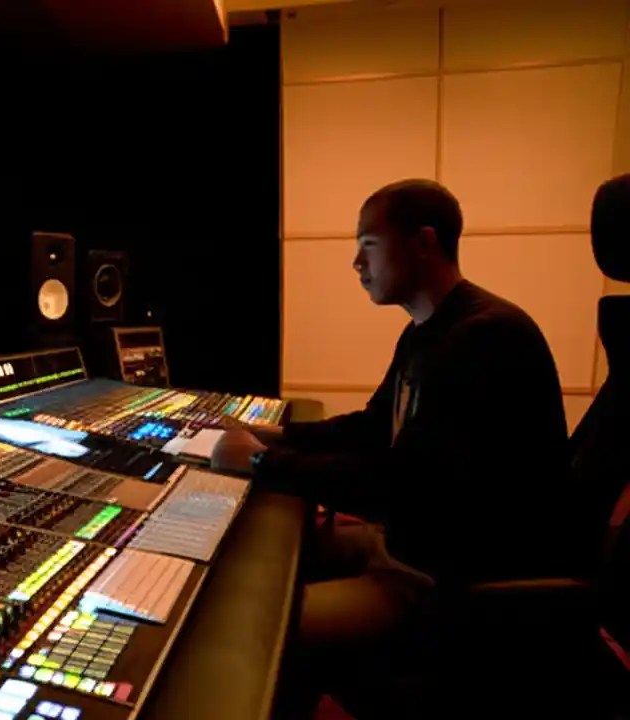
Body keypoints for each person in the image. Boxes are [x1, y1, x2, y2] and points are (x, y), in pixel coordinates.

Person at [212, 179, 571, 697]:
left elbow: (400, 487)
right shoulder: (428, 330)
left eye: (369, 244)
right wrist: (278, 435)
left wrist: (261, 464)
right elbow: (374, 426)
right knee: (247, 567)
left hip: (442, 580)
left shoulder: (483, 338)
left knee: (253, 632)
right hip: (410, 545)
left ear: (423, 242)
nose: (357, 263)